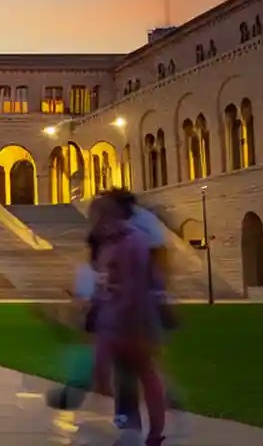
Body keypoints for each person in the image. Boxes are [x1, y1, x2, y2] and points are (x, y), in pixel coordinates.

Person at [89, 191, 167, 446]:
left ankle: (149, 431)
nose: (94, 218)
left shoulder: (133, 241)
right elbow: (105, 284)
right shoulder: (110, 242)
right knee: (125, 377)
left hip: (131, 323)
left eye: (99, 212)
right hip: (117, 322)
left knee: (141, 373)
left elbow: (139, 287)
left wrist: (134, 324)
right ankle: (133, 429)